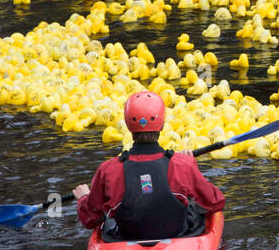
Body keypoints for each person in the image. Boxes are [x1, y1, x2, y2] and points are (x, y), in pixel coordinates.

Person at [74, 91, 225, 241]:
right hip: (178, 235)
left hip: (127, 237)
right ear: (162, 125)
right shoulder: (182, 164)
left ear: (128, 125)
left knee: (108, 215)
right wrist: (191, 168)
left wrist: (84, 198)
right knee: (193, 204)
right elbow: (215, 201)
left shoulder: (108, 169)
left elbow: (90, 219)